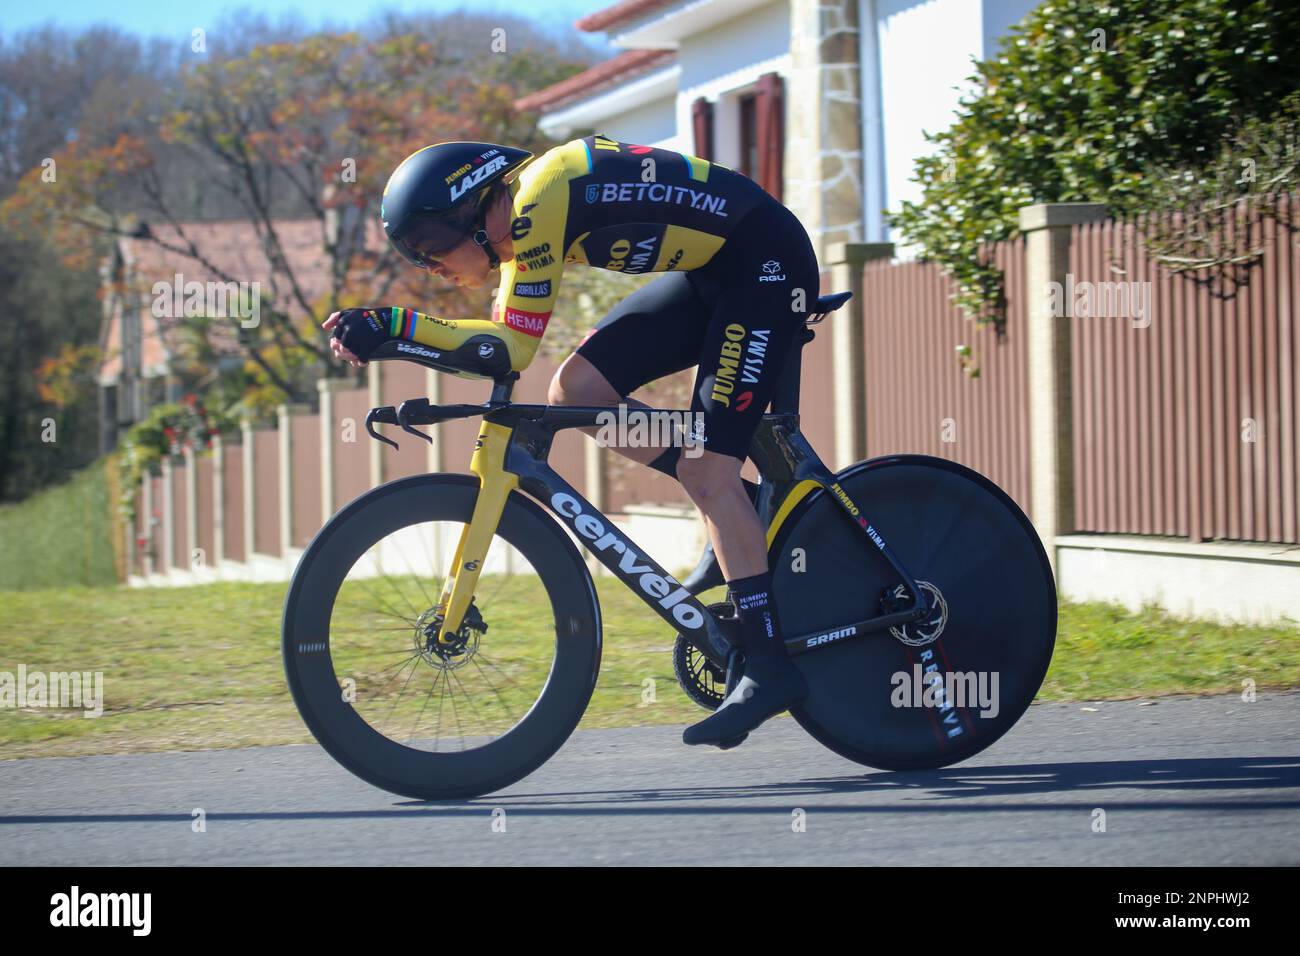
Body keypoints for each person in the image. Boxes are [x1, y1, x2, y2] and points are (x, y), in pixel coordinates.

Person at [325, 136, 818, 748]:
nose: (431, 268)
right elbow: (501, 347)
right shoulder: (526, 215)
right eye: (416, 259)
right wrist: (393, 331)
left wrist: (393, 325)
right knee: (578, 390)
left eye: (429, 248)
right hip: (717, 271)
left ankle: (771, 668)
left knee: (706, 472)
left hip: (764, 266)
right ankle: (739, 510)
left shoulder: (537, 206)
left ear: (472, 211)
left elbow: (509, 350)